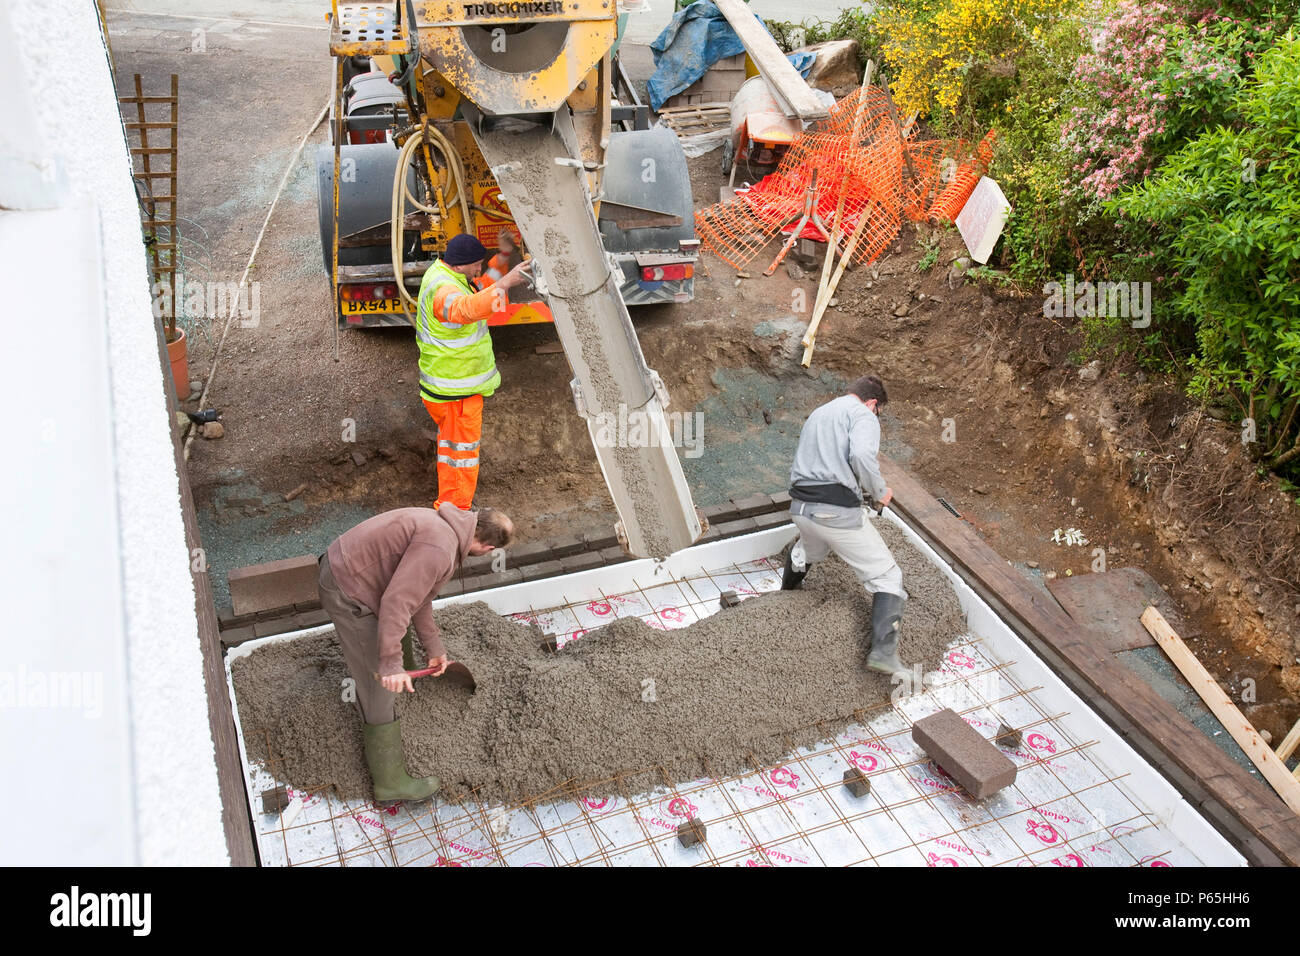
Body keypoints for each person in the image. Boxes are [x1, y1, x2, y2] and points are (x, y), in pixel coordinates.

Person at [317, 504, 515, 803]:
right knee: (378, 685)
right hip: (348, 589)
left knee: (396, 629)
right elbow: (397, 602)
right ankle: (389, 782)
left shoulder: (446, 525)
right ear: (487, 547)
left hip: (350, 566)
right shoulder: (439, 549)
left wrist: (434, 649)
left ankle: (405, 669)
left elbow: (417, 598)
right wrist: (390, 664)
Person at [781, 374, 907, 676]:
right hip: (834, 512)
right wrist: (880, 492)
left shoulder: (819, 413)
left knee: (809, 552)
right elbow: (862, 455)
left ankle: (786, 595)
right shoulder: (863, 414)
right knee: (887, 575)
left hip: (801, 509)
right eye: (878, 411)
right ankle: (883, 654)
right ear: (873, 403)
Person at [416, 232, 532, 510]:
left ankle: (451, 508)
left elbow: (480, 288)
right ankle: (456, 514)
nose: (478, 269)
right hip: (456, 393)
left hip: (451, 390)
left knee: (451, 455)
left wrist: (503, 257)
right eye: (475, 264)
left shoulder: (447, 274)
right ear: (458, 265)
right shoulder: (443, 290)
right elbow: (466, 308)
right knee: (461, 458)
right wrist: (507, 282)